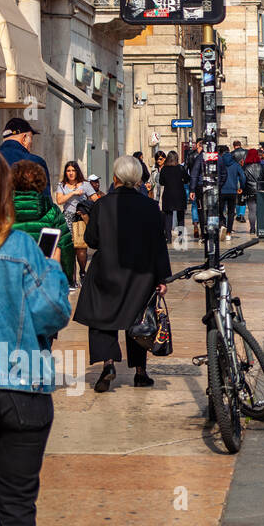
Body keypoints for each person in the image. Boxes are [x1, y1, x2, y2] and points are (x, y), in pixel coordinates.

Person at [0, 145, 71, 526]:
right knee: (17, 505)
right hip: (23, 386)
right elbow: (53, 312)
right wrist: (50, 268)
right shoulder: (20, 249)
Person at [74, 155, 171, 393]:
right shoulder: (150, 206)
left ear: (115, 178)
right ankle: (140, 372)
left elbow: (91, 240)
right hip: (140, 273)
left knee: (100, 316)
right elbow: (159, 244)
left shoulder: (102, 205)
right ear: (137, 179)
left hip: (106, 270)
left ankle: (107, 364)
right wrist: (162, 278)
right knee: (137, 319)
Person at [11, 161, 76, 288]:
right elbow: (66, 248)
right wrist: (67, 278)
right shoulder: (52, 211)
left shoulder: (2, 210)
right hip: (43, 281)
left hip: (11, 281)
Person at [54, 160, 97, 286]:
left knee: (81, 248)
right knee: (69, 249)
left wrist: (87, 209)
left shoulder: (85, 184)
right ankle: (71, 278)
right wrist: (73, 192)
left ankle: (82, 272)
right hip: (67, 217)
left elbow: (94, 199)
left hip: (80, 218)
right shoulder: (62, 185)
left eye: (73, 170)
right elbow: (59, 200)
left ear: (77, 171)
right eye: (68, 171)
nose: (71, 173)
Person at [0, 118, 50, 199]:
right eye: (31, 139)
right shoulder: (36, 162)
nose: (31, 144)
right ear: (24, 138)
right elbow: (46, 201)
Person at [157, 151, 189, 245]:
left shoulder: (164, 169)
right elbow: (187, 179)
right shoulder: (180, 168)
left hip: (168, 194)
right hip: (179, 194)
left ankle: (169, 238)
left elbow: (161, 182)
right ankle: (181, 237)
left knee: (168, 216)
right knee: (180, 217)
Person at [218, 146, 245, 241]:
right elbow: (242, 176)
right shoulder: (235, 164)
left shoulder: (219, 162)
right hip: (233, 191)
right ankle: (229, 232)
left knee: (220, 210)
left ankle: (222, 225)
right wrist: (241, 187)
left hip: (221, 190)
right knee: (231, 212)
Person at [242, 148, 264, 236]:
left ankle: (252, 228)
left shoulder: (245, 167)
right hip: (261, 189)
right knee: (261, 210)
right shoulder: (263, 166)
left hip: (250, 190)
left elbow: (243, 179)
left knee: (251, 210)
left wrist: (243, 188)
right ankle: (261, 228)